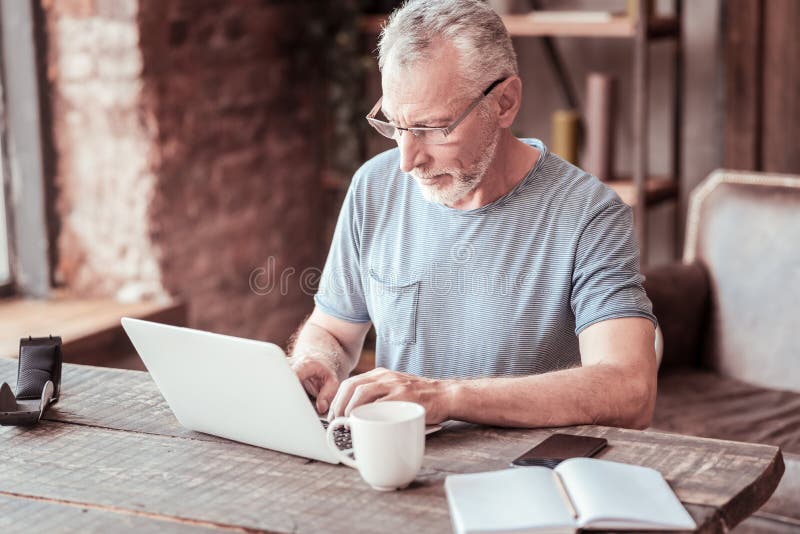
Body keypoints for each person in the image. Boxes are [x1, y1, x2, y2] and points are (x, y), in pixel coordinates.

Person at [287, 0, 657, 429]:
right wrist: (318, 360)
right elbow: (332, 330)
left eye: (432, 128)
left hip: (529, 473)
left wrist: (446, 397)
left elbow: (630, 391)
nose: (407, 161)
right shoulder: (374, 186)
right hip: (406, 465)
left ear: (504, 103)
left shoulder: (590, 215)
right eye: (395, 125)